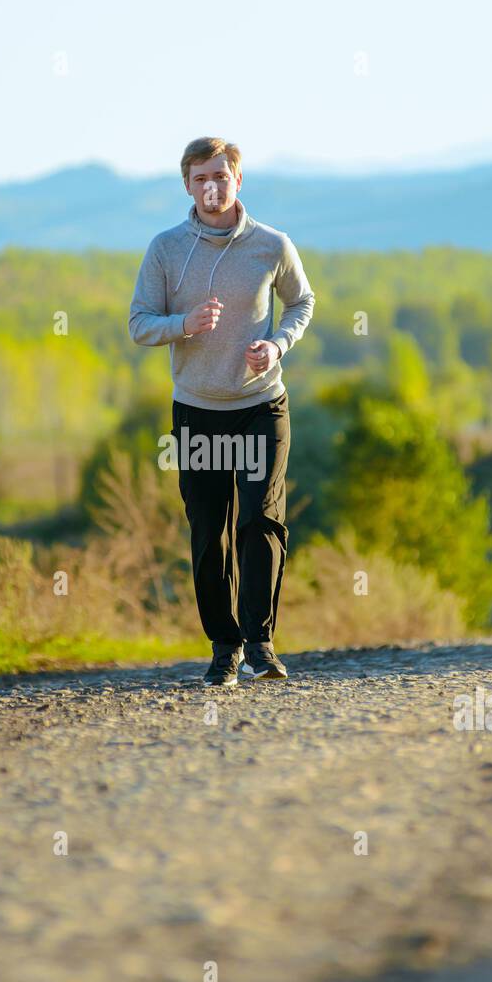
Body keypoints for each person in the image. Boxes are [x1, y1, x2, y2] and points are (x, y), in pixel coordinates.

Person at [128, 136, 315, 684]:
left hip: (261, 405)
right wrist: (181, 326)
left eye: (220, 177)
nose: (212, 188)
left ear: (238, 180)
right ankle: (223, 647)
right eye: (200, 179)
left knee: (261, 518)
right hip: (197, 410)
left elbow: (302, 300)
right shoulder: (165, 250)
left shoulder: (271, 245)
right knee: (210, 531)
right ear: (187, 185)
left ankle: (261, 643)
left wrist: (278, 343)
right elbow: (139, 324)